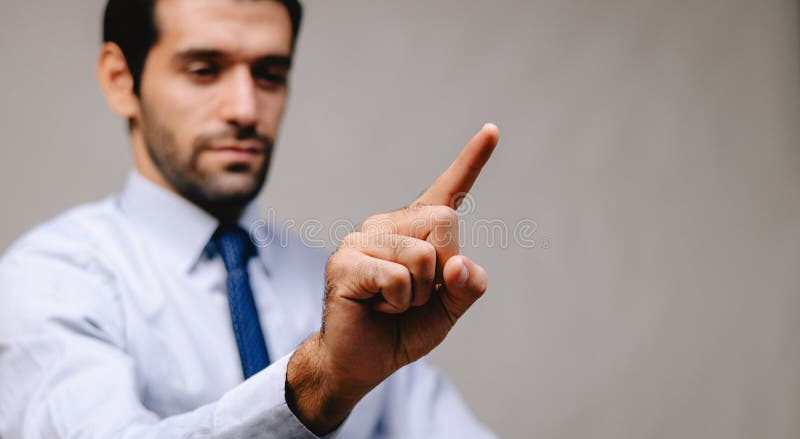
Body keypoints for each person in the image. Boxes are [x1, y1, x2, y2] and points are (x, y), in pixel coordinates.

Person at [0, 0, 500, 437]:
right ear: (120, 78)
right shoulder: (48, 280)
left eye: (269, 74)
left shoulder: (353, 292)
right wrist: (317, 383)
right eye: (203, 69)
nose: (245, 108)